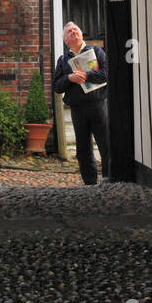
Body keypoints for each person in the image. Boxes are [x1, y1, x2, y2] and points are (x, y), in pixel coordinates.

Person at [53, 20, 109, 186]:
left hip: (98, 104)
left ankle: (108, 178)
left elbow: (106, 74)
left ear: (81, 33)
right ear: (65, 40)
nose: (73, 32)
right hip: (77, 108)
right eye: (69, 31)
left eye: (75, 29)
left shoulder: (97, 51)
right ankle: (89, 181)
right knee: (83, 148)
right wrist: (69, 78)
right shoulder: (63, 60)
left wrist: (86, 75)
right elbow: (57, 86)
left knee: (105, 143)